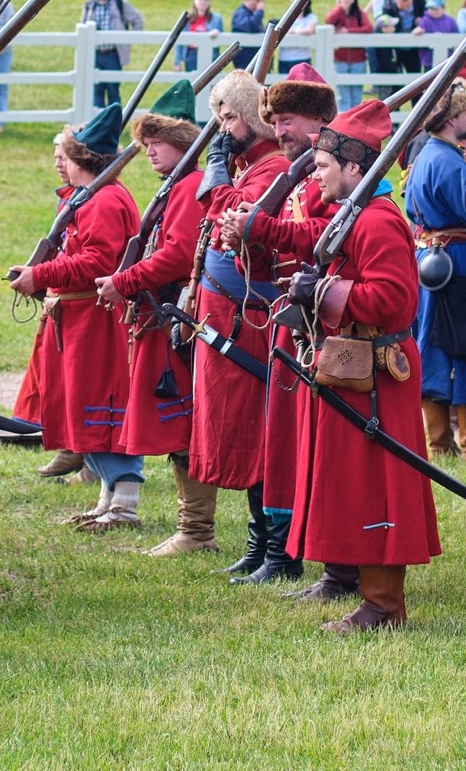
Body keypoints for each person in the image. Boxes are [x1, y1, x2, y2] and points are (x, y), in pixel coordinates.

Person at [275, 99, 441, 629]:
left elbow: (394, 301)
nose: (315, 173)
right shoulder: (356, 215)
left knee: (377, 486)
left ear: (353, 168)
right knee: (354, 483)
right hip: (354, 364)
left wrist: (321, 289)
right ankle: (364, 594)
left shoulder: (377, 222)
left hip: (376, 371)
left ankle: (384, 606)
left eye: (324, 165)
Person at [92, 82, 215, 553]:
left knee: (182, 425)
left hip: (172, 321)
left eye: (156, 143)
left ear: (182, 143)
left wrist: (121, 282)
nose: (149, 152)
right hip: (160, 318)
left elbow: (177, 255)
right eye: (146, 144)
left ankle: (195, 531)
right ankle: (192, 528)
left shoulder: (186, 189)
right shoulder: (175, 188)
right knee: (176, 426)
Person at [11, 106, 143, 529]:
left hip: (97, 316)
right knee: (88, 405)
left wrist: (40, 274)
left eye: (64, 156)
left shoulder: (104, 200)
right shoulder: (92, 197)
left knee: (103, 406)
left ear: (82, 160)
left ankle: (125, 502)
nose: (58, 163)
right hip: (82, 315)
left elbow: (96, 262)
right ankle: (109, 498)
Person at [188, 70, 295, 582]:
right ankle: (260, 545)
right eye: (220, 118)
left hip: (250, 315)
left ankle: (278, 550)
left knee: (262, 434)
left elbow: (236, 217)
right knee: (248, 433)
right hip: (230, 312)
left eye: (230, 117)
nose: (223, 128)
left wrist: (215, 177)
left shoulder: (272, 166)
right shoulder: (247, 164)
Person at [407, 79, 466, 459]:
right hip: (457, 263)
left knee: (436, 343)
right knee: (465, 344)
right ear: (453, 116)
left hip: (435, 259)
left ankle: (438, 442)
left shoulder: (427, 155)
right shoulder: (446, 159)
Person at [80, 0, 142, 109]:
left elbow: (137, 19)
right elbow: (83, 27)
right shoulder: (89, 6)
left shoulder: (118, 3)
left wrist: (130, 38)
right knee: (97, 90)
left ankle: (115, 123)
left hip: (113, 53)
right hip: (95, 53)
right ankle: (99, 124)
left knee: (113, 90)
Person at [325, 0, 372, 107]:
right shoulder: (336, 13)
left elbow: (368, 28)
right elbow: (328, 20)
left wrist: (348, 31)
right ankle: (344, 125)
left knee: (356, 97)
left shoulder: (359, 14)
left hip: (358, 60)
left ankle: (354, 124)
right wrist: (342, 7)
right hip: (340, 60)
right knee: (343, 97)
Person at [176, 0, 222, 72]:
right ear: (194, 0)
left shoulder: (216, 19)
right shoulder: (187, 19)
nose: (203, 1)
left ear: (209, 2)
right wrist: (177, 62)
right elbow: (179, 41)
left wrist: (217, 32)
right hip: (191, 55)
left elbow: (221, 37)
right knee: (192, 83)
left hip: (210, 55)